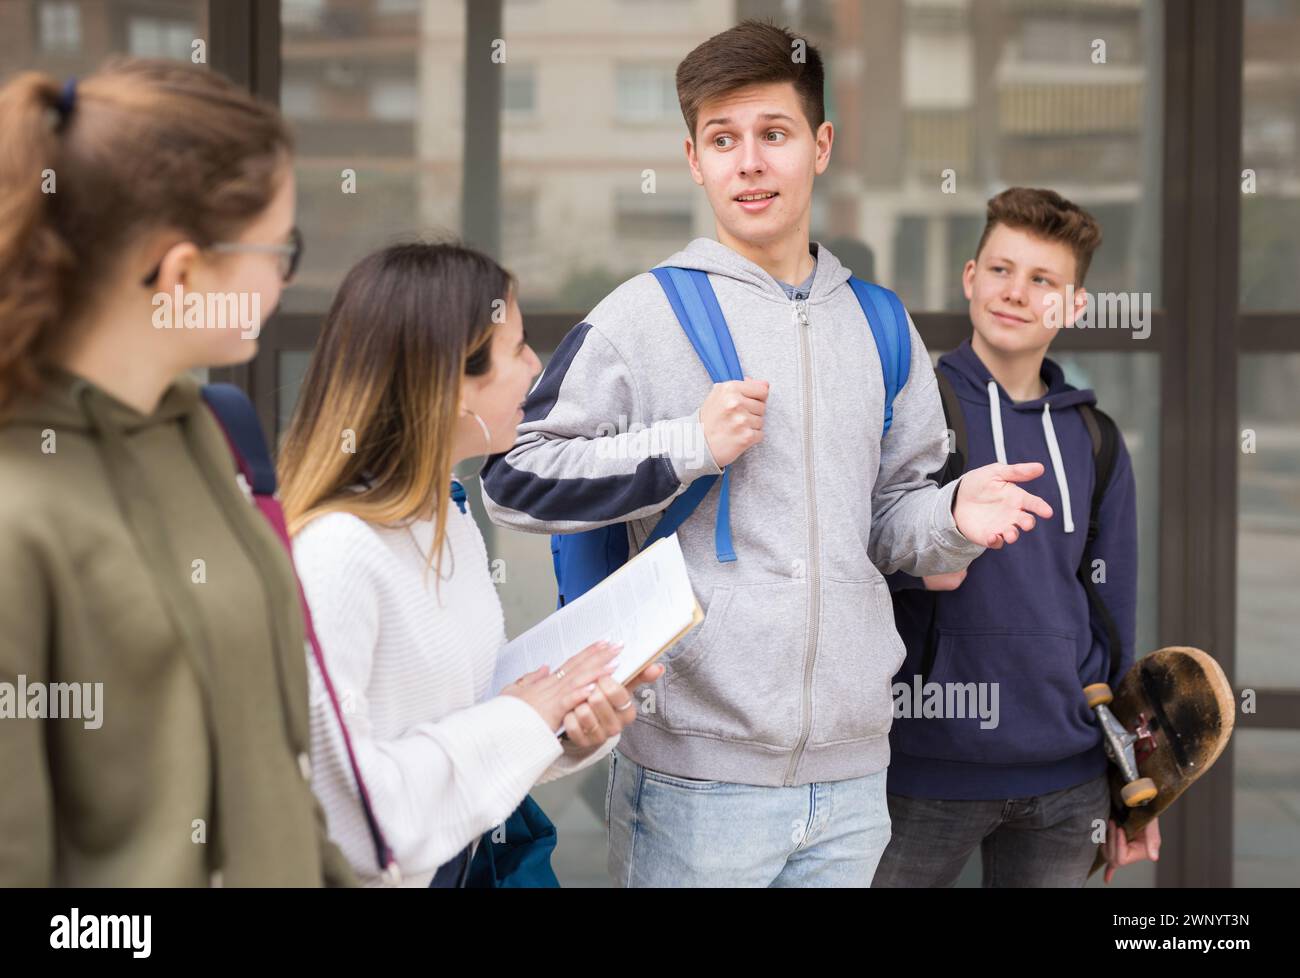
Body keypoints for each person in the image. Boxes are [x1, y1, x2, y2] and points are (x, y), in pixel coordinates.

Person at [480, 21, 1053, 887]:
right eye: (723, 139)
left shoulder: (881, 323)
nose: (749, 161)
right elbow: (514, 480)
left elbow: (892, 526)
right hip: (694, 785)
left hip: (855, 781)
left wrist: (952, 518)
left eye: (773, 135)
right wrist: (685, 446)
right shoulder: (642, 315)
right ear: (693, 158)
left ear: (820, 146)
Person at [0, 59, 353, 886]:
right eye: (280, 249)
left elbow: (272, 770)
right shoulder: (19, 512)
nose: (286, 279)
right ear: (183, 273)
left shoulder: (194, 428)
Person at [278, 241, 663, 887]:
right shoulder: (336, 556)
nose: (537, 368)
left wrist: (564, 728)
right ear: (449, 383)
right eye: (516, 349)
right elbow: (351, 823)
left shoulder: (447, 520)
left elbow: (470, 733)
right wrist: (526, 719)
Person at [873, 187, 1157, 888]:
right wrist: (926, 562)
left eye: (1043, 280)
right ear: (970, 279)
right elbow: (861, 553)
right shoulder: (910, 413)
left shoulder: (1095, 439)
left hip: (1067, 782)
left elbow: (1111, 615)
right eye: (1000, 270)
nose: (1016, 293)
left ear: (1074, 306)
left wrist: (1130, 787)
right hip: (923, 769)